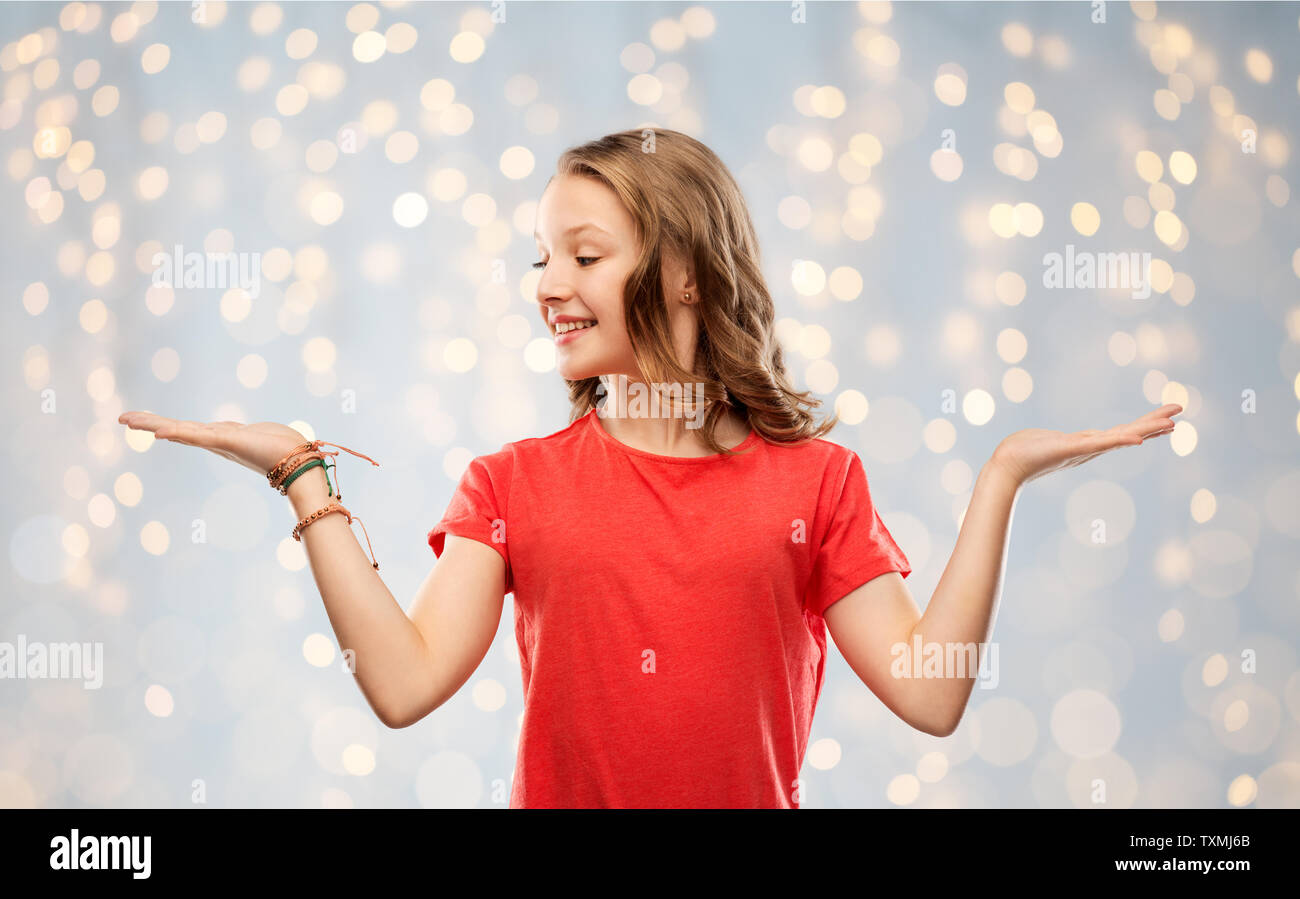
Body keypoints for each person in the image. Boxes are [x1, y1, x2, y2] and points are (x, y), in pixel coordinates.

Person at [118, 128, 1182, 809]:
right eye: (542, 256)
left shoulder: (815, 484)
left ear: (681, 271)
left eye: (584, 254)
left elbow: (930, 696)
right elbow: (400, 683)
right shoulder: (512, 484)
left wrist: (996, 481)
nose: (548, 284)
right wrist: (305, 474)